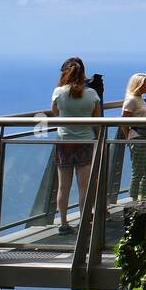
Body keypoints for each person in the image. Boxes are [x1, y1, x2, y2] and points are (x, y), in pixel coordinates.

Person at [49, 57, 102, 234]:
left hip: (64, 142)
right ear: (83, 75)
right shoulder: (92, 95)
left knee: (63, 186)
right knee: (84, 186)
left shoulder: (58, 92)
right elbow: (97, 119)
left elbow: (55, 113)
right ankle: (84, 221)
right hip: (85, 142)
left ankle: (63, 224)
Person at [120, 73, 146, 200]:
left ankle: (143, 196)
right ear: (139, 84)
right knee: (138, 170)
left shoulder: (140, 98)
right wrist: (128, 139)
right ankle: (134, 199)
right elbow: (123, 121)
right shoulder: (131, 100)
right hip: (138, 137)